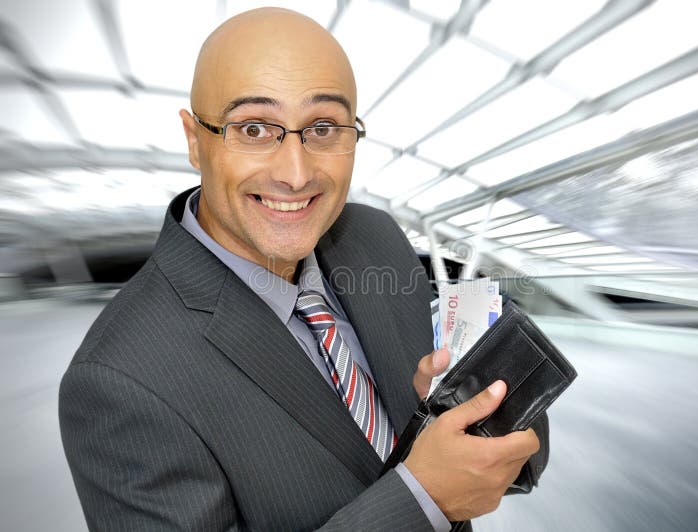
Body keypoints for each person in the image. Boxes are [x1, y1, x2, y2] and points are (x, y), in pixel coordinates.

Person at [59, 7, 547, 531]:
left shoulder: (374, 237)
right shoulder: (117, 381)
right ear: (194, 140)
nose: (295, 174)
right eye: (253, 128)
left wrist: (479, 411)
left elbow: (480, 448)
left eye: (323, 127)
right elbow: (429, 494)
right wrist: (424, 499)